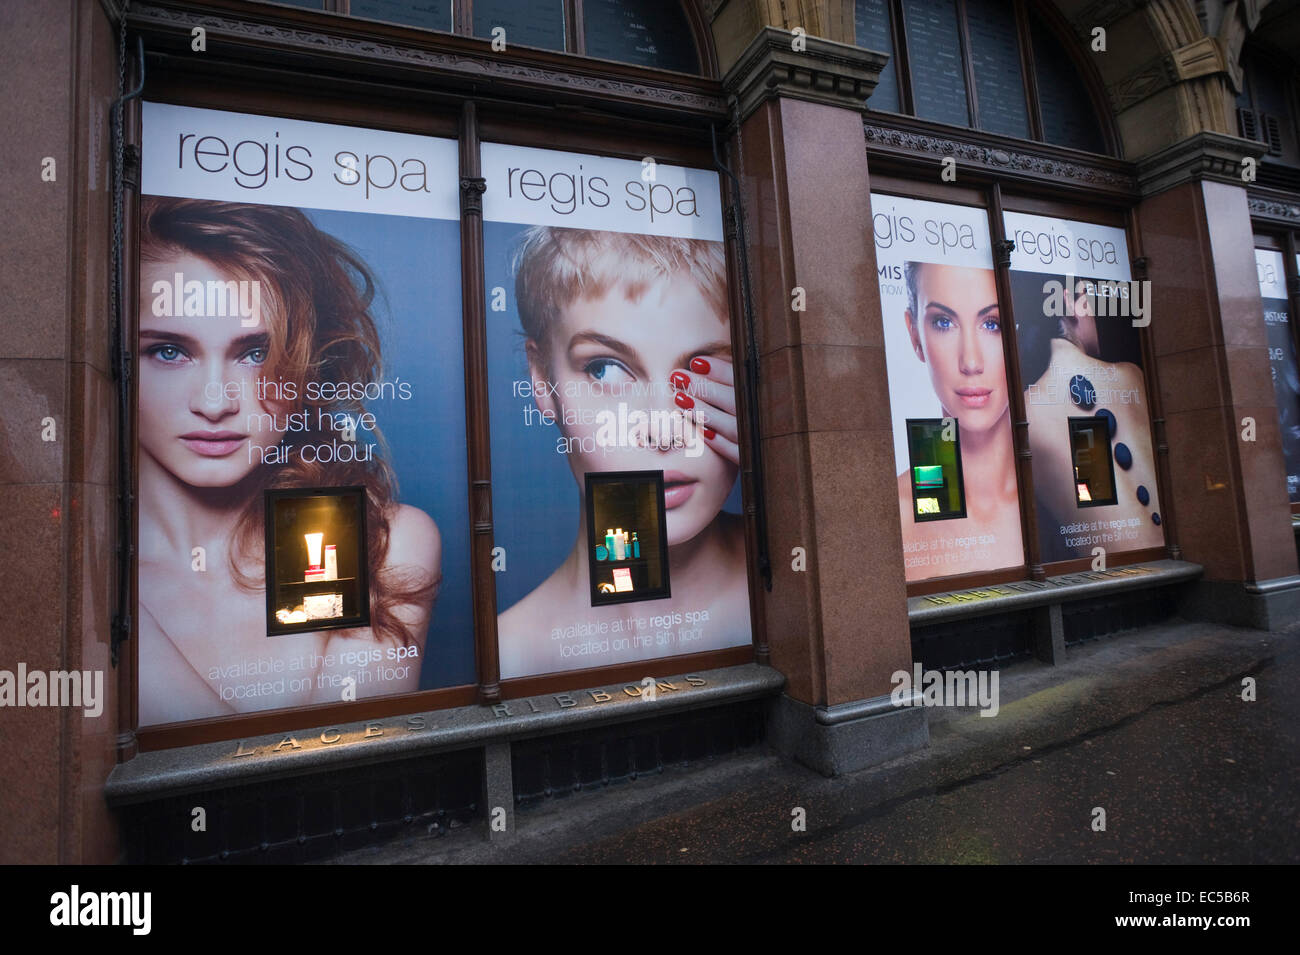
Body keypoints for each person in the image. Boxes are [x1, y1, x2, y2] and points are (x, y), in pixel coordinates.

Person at [136, 197, 441, 726]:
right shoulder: (74, 572)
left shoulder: (383, 547)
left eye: (255, 352)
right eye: (168, 350)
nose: (214, 402)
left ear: (306, 364)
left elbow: (341, 782)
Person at [497, 227, 750, 678]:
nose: (663, 429)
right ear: (541, 379)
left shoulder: (807, 593)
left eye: (701, 369)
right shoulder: (513, 655)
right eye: (606, 369)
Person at [895, 262, 1024, 581]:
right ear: (915, 335)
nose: (971, 362)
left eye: (992, 324)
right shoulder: (894, 514)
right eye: (943, 321)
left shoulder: (1052, 492)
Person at [1021, 276, 1163, 561]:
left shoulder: (1027, 411)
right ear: (1066, 302)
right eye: (1087, 298)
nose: (1096, 313)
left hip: (1109, 577)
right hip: (1166, 563)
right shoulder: (1131, 376)